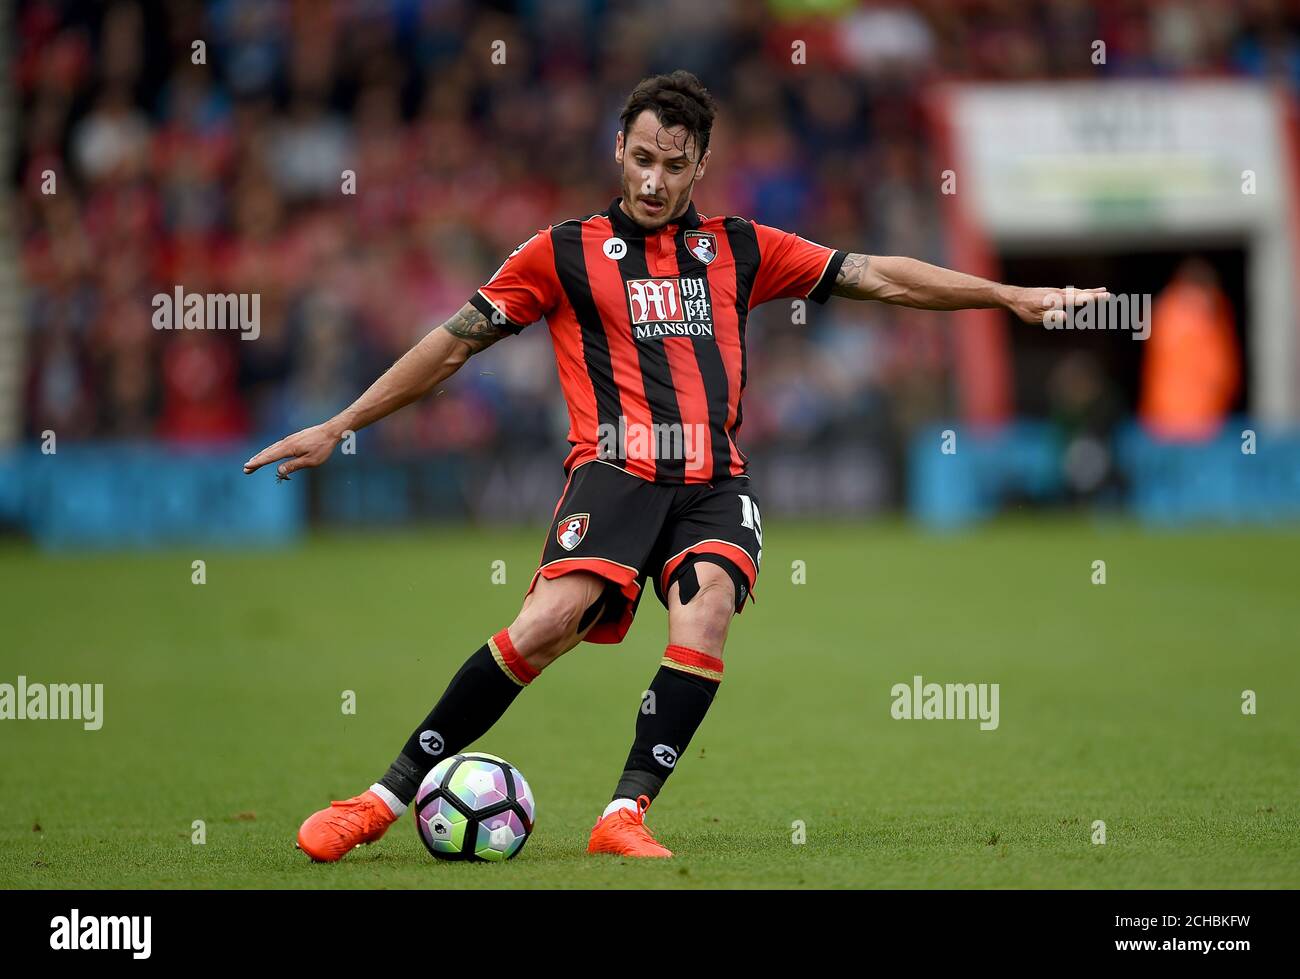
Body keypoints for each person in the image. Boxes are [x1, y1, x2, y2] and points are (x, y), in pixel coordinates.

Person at [244, 70, 1106, 859]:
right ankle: (380, 799)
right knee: (547, 625)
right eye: (644, 158)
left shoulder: (742, 247)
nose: (655, 181)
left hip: (713, 482)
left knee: (709, 611)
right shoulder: (562, 252)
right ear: (619, 149)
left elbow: (878, 276)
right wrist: (343, 423)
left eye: (675, 165)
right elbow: (451, 346)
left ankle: (624, 814)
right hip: (613, 474)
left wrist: (1008, 296)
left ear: (701, 167)